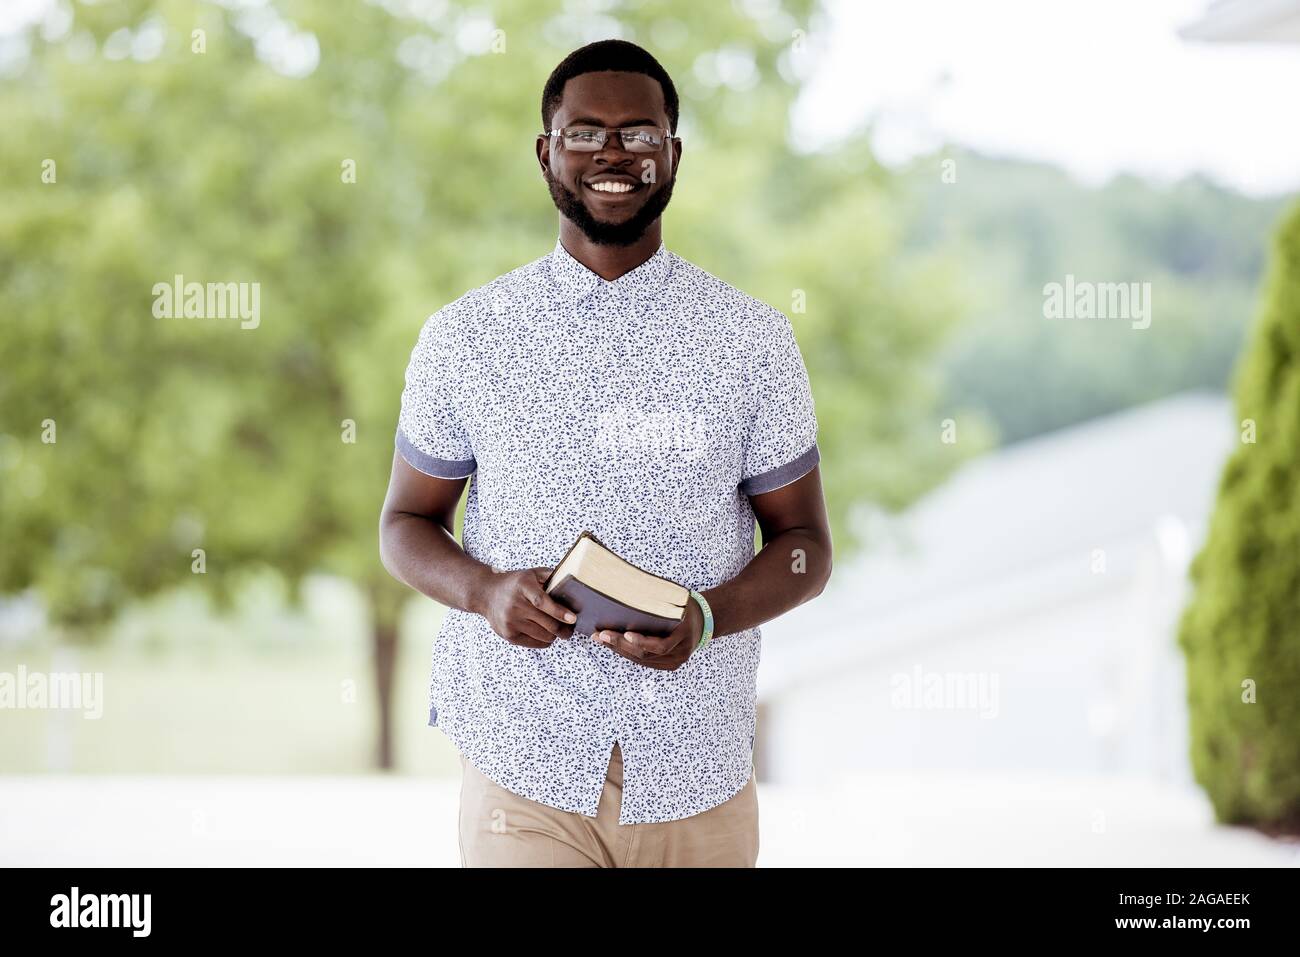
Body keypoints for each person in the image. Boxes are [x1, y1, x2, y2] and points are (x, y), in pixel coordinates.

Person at [378, 38, 832, 868]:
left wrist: (705, 616)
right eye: (585, 133)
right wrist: (482, 590)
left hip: (698, 772)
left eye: (639, 133)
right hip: (525, 768)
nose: (613, 153)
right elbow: (405, 523)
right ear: (547, 153)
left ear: (674, 154)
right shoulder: (464, 339)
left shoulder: (753, 341)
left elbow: (806, 550)